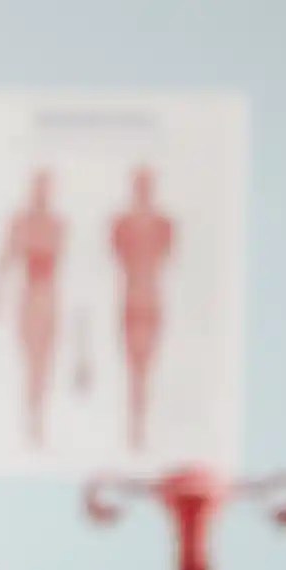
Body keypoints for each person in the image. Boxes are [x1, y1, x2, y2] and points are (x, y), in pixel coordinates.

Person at [0, 168, 65, 448]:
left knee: (45, 362)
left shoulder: (57, 224)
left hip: (50, 298)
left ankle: (39, 419)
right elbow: (4, 260)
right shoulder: (21, 223)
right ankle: (30, 418)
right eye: (38, 186)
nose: (42, 192)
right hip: (29, 297)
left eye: (47, 186)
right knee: (31, 361)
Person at [111, 165, 174, 452]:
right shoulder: (121, 223)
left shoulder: (165, 225)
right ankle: (134, 426)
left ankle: (143, 425)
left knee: (147, 366)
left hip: (152, 299)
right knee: (133, 366)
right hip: (132, 298)